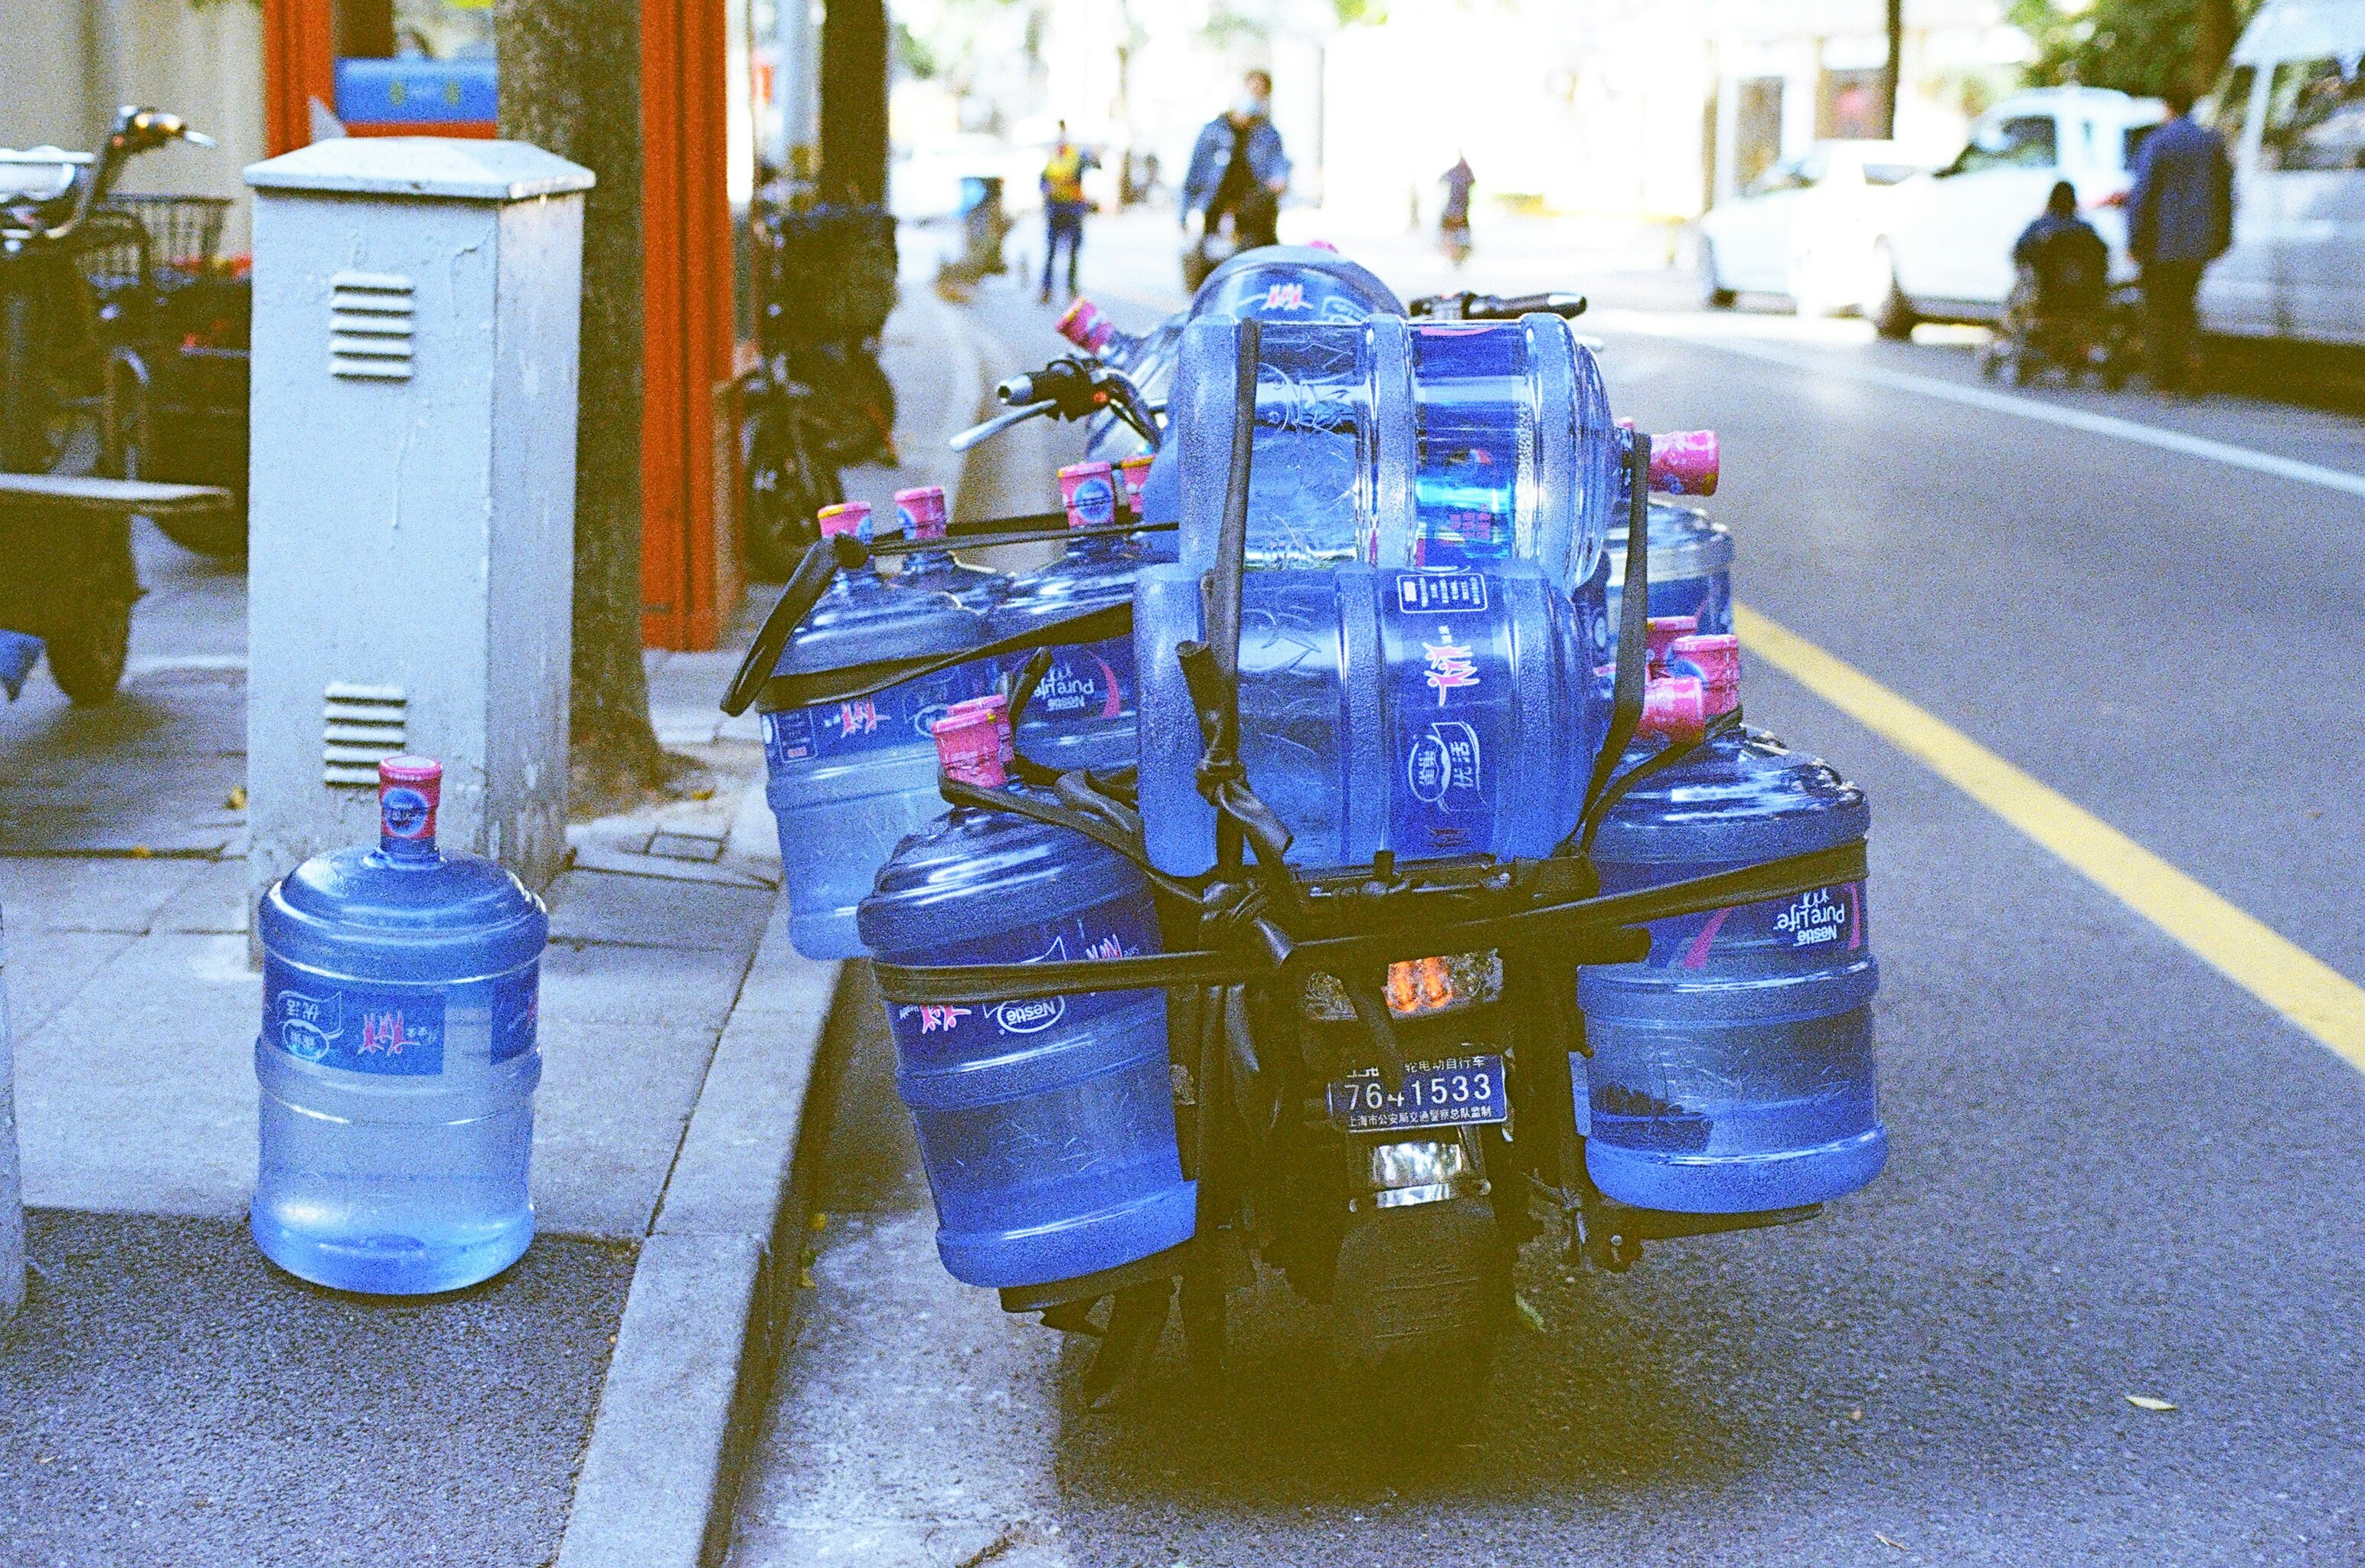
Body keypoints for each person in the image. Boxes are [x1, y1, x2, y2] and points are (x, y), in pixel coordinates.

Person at [2125, 80, 2234, 395]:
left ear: (2167, 106)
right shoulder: (2211, 142)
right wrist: (2222, 236)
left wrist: (2135, 240)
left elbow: (2142, 196)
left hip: (2161, 243)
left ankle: (2165, 379)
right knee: (2186, 306)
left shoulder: (2158, 142)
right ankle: (2193, 373)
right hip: (2199, 243)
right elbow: (2224, 194)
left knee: (2160, 310)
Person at [1181, 69, 1291, 254]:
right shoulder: (1213, 131)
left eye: (1261, 93)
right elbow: (1194, 174)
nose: (1255, 96)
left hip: (1253, 213)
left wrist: (1279, 179)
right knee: (1210, 262)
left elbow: (1279, 163)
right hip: (1216, 208)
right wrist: (1184, 215)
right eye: (1252, 89)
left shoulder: (1269, 134)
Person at [1039, 122, 1097, 304]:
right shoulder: (1052, 158)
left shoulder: (1078, 156)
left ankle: (1071, 289)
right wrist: (1047, 189)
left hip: (1072, 209)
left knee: (1072, 252)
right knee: (1051, 251)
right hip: (1056, 209)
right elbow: (1042, 182)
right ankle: (1047, 288)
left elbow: (1094, 165)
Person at [1439, 155, 1475, 265]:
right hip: (1462, 211)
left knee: (1447, 232)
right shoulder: (1469, 173)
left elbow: (1441, 180)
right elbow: (1474, 183)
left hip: (1451, 210)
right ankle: (1461, 252)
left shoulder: (1453, 172)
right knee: (1462, 233)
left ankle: (1452, 252)